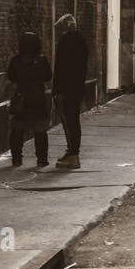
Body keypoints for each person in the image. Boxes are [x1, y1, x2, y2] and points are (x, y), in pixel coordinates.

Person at [7, 32, 52, 169]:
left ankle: (16, 159)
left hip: (22, 98)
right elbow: (48, 77)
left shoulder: (16, 60)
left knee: (17, 130)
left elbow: (12, 77)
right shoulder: (41, 60)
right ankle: (42, 159)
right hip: (38, 98)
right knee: (40, 130)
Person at [52, 13, 89, 170]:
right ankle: (72, 153)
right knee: (73, 120)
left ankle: (73, 155)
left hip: (66, 90)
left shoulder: (66, 42)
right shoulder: (81, 41)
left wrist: (57, 90)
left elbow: (61, 69)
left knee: (69, 121)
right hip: (77, 88)